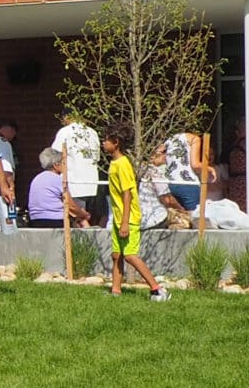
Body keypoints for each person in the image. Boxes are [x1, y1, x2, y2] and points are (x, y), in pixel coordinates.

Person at [103, 127, 167, 301]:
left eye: (106, 140)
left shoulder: (123, 164)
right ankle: (115, 291)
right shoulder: (114, 163)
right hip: (118, 217)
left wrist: (125, 222)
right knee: (116, 255)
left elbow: (128, 194)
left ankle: (157, 289)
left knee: (130, 256)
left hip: (128, 218)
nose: (103, 143)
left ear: (116, 143)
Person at [51, 110, 103, 225]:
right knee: (82, 214)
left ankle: (85, 231)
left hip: (73, 180)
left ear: (66, 117)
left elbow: (55, 155)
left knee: (77, 216)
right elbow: (97, 157)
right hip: (91, 181)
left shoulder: (65, 132)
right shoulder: (92, 132)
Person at [25, 148, 69, 228]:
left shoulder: (36, 178)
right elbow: (70, 204)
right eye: (63, 163)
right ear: (56, 165)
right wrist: (84, 214)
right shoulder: (58, 179)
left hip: (35, 220)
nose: (66, 166)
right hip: (54, 220)